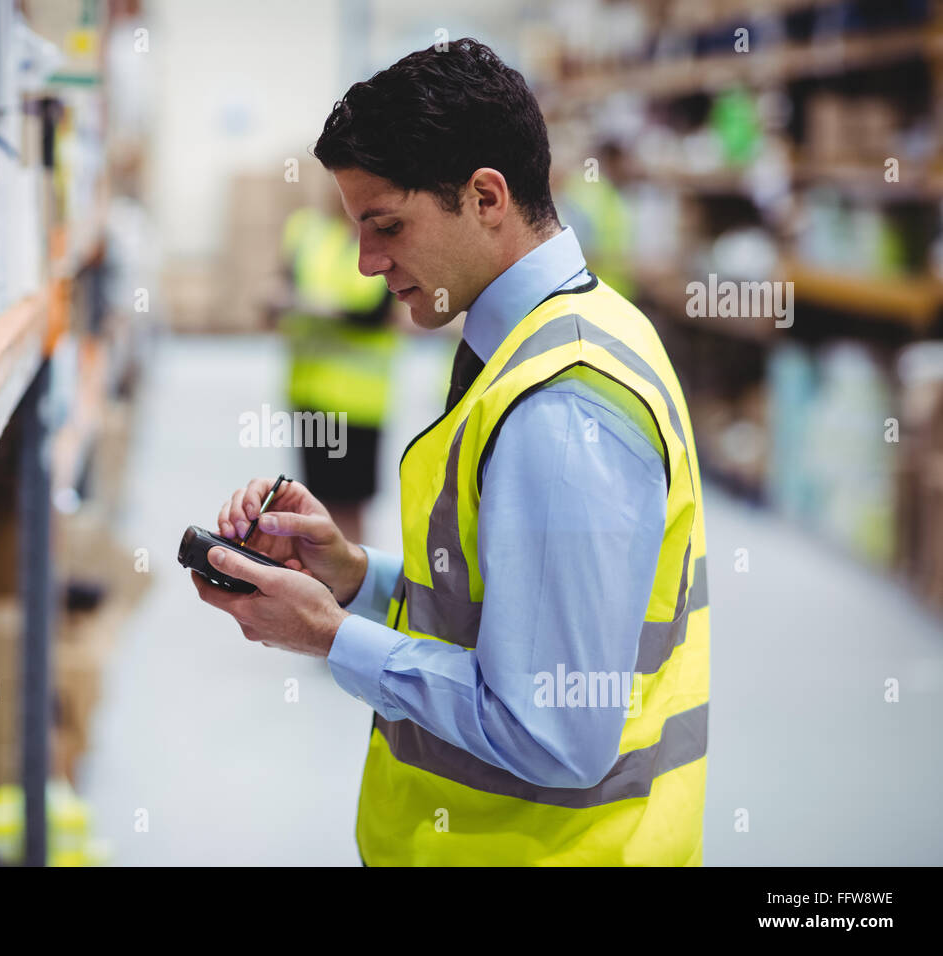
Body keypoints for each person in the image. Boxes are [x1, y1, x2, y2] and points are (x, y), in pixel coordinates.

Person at [192, 38, 710, 866]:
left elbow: (555, 732)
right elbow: (508, 613)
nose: (366, 262)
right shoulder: (567, 333)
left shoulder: (560, 406)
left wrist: (333, 638)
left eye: (387, 225)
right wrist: (356, 578)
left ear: (485, 196)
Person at [277, 197, 399, 545]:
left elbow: (378, 312)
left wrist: (321, 309)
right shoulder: (308, 230)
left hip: (358, 402)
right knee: (315, 504)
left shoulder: (386, 237)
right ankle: (324, 589)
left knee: (350, 509)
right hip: (310, 393)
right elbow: (283, 282)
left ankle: (355, 591)